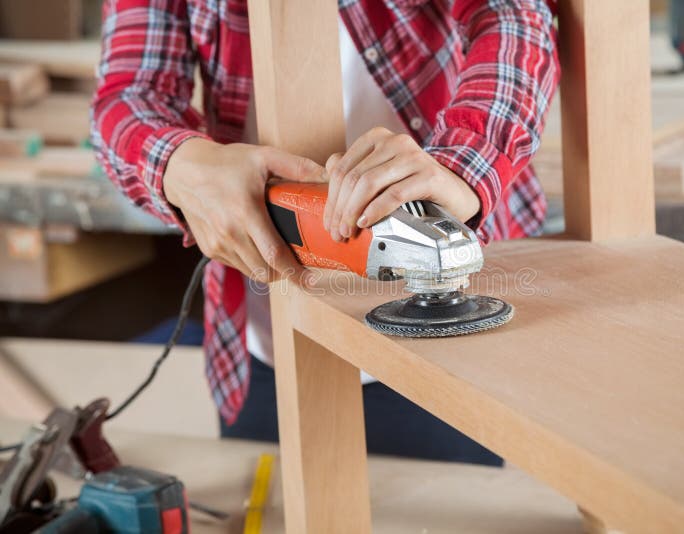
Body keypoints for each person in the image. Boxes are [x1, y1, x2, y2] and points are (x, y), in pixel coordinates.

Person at [91, 0, 559, 466]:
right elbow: (129, 94)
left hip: (454, 347)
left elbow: (512, 15)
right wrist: (179, 165)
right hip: (266, 334)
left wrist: (465, 162)